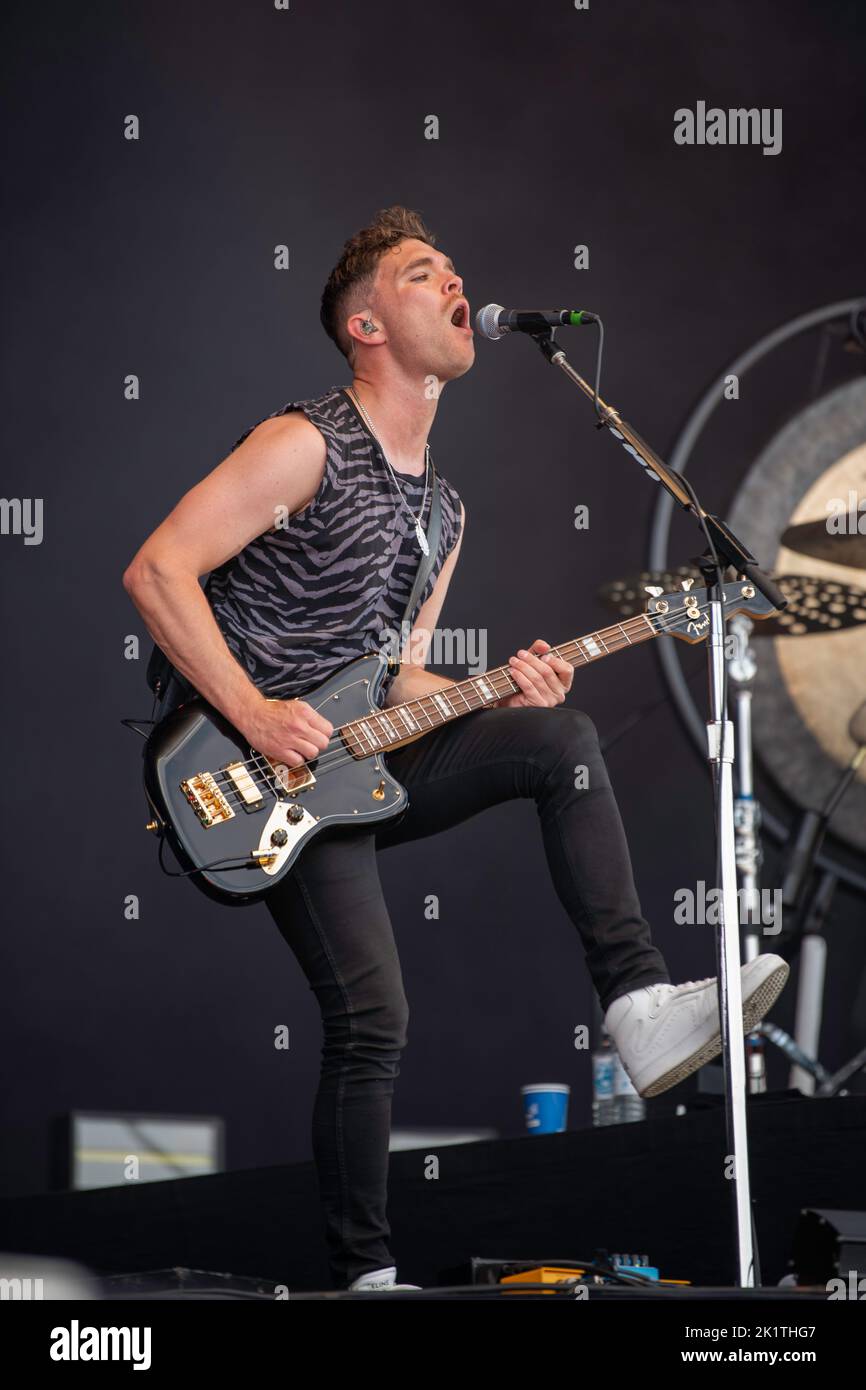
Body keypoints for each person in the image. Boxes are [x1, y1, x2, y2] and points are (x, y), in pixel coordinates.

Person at [122, 205, 788, 1292]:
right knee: (372, 1013)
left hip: (355, 747)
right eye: (422, 271)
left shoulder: (444, 508)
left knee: (556, 734)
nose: (453, 284)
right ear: (365, 322)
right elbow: (157, 571)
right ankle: (366, 1278)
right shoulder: (302, 443)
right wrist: (253, 713)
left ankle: (634, 1008)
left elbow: (394, 674)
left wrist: (498, 688)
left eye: (452, 270)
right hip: (257, 766)